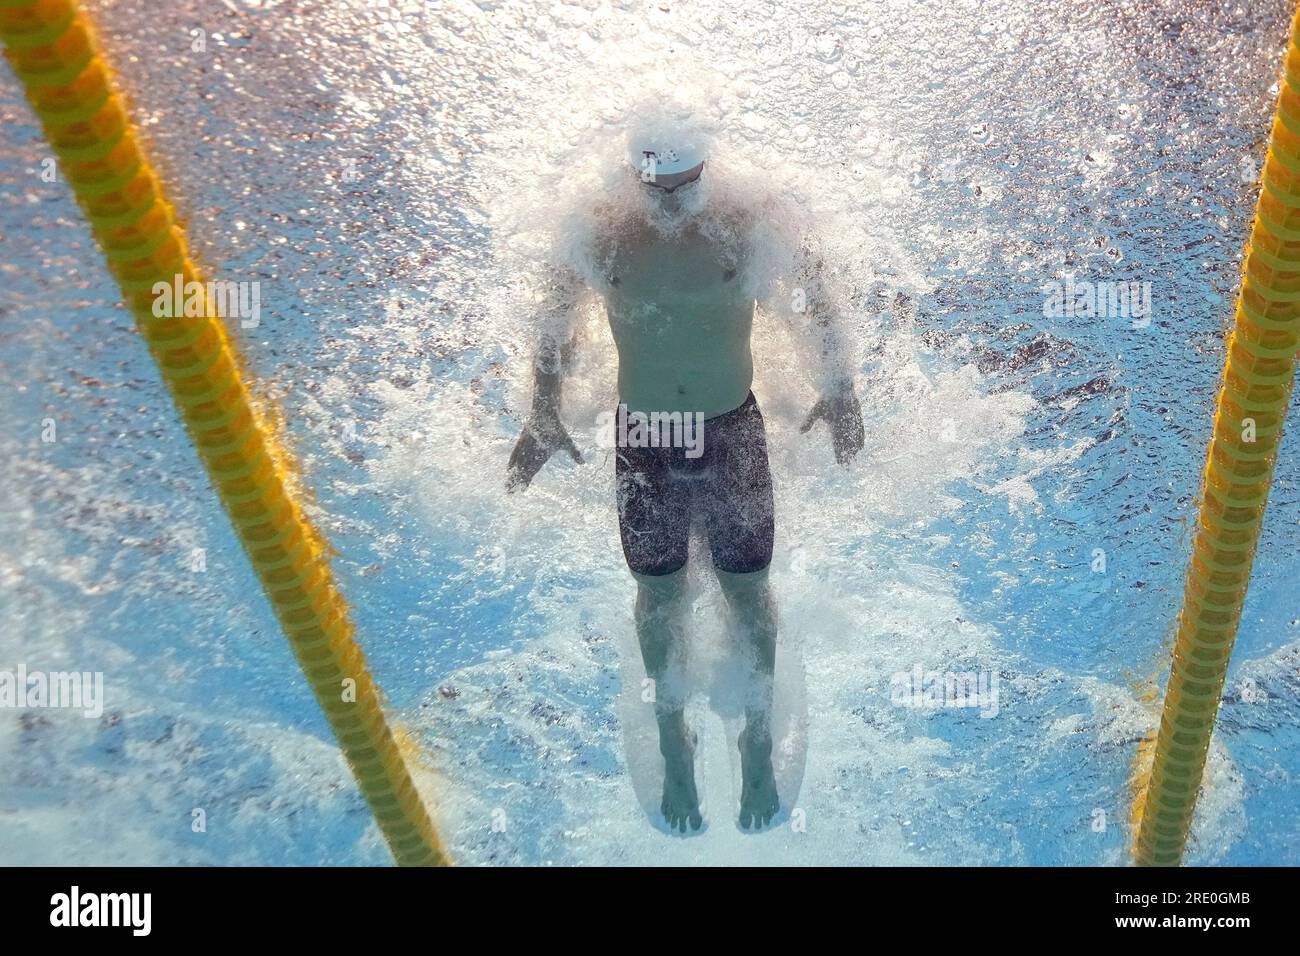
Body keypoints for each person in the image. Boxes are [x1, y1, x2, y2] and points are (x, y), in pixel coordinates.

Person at [506, 125, 864, 832]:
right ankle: (675, 740)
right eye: (656, 187)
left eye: (684, 186)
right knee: (658, 592)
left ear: (707, 168)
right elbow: (552, 322)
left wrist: (841, 385)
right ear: (630, 174)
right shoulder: (598, 231)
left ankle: (756, 739)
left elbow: (818, 288)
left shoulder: (748, 218)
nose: (671, 202)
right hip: (643, 436)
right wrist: (544, 412)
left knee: (748, 589)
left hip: (732, 428)